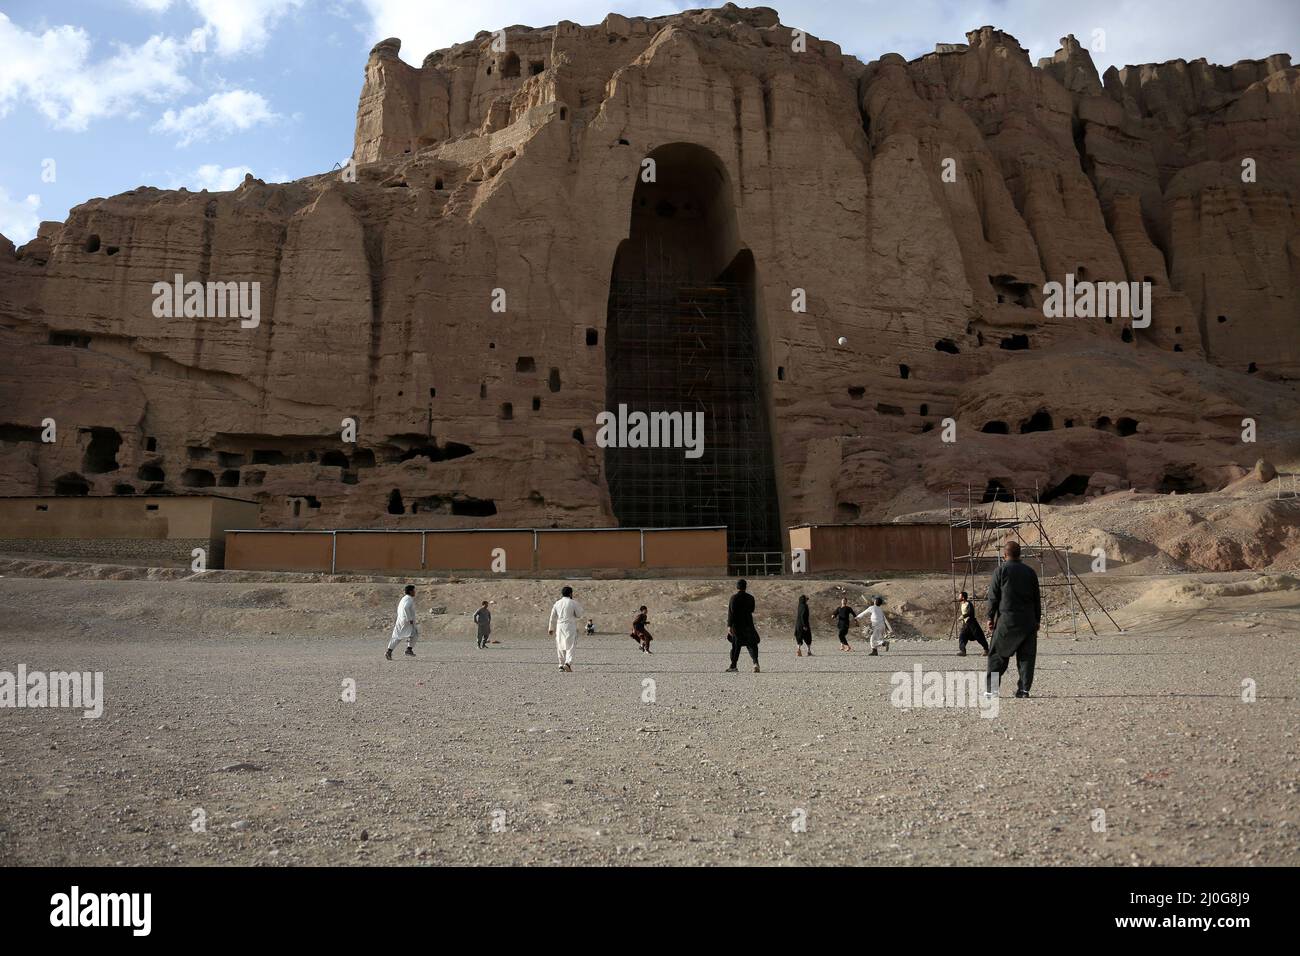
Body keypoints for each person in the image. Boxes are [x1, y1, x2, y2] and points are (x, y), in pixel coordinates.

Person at [985, 540, 1041, 698]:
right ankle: (1024, 690)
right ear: (1020, 555)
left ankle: (992, 691)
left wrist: (990, 617)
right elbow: (1037, 599)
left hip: (1006, 621)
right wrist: (1037, 620)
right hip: (1028, 622)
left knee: (997, 656)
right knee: (1026, 658)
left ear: (1004, 555)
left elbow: (993, 597)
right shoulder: (1030, 572)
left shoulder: (1000, 571)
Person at [726, 579, 761, 672]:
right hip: (748, 624)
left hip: (737, 625)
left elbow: (731, 613)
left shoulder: (733, 598)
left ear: (737, 587)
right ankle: (755, 663)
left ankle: (733, 666)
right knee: (752, 645)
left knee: (736, 647)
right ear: (745, 587)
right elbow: (752, 609)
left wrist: (729, 626)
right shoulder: (751, 598)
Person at [548, 585, 584, 672]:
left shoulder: (557, 603)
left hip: (559, 626)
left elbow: (552, 616)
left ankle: (561, 665)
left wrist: (550, 628)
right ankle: (568, 663)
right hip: (570, 626)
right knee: (570, 646)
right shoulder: (573, 603)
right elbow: (579, 614)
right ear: (571, 593)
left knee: (560, 645)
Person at [385, 584, 418, 660]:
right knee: (414, 634)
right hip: (407, 621)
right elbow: (406, 608)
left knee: (397, 636)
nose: (415, 592)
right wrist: (409, 619)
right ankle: (409, 650)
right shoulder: (409, 599)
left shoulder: (404, 598)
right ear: (410, 591)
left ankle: (389, 651)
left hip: (400, 620)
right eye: (414, 590)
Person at [956, 590, 989, 656]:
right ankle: (963, 651)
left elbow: (970, 613)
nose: (958, 597)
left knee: (979, 636)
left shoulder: (968, 604)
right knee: (962, 636)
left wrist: (963, 616)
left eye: (960, 596)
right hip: (966, 624)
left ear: (963, 597)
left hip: (972, 623)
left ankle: (986, 650)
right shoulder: (962, 604)